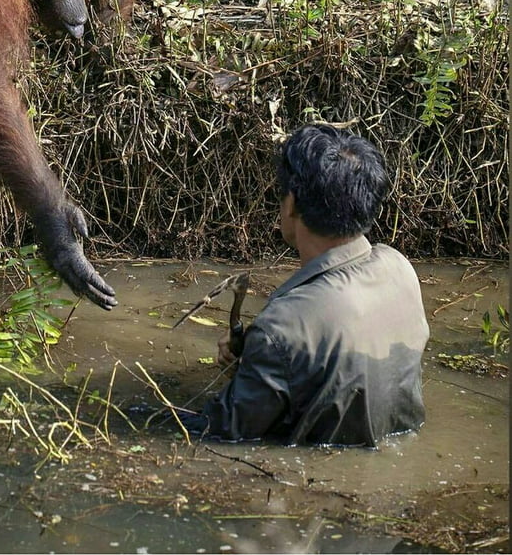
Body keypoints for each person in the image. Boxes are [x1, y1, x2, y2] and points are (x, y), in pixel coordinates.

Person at [183, 123, 430, 447]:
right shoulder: (399, 267)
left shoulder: (284, 327)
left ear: (291, 204)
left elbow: (222, 432)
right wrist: (257, 361)